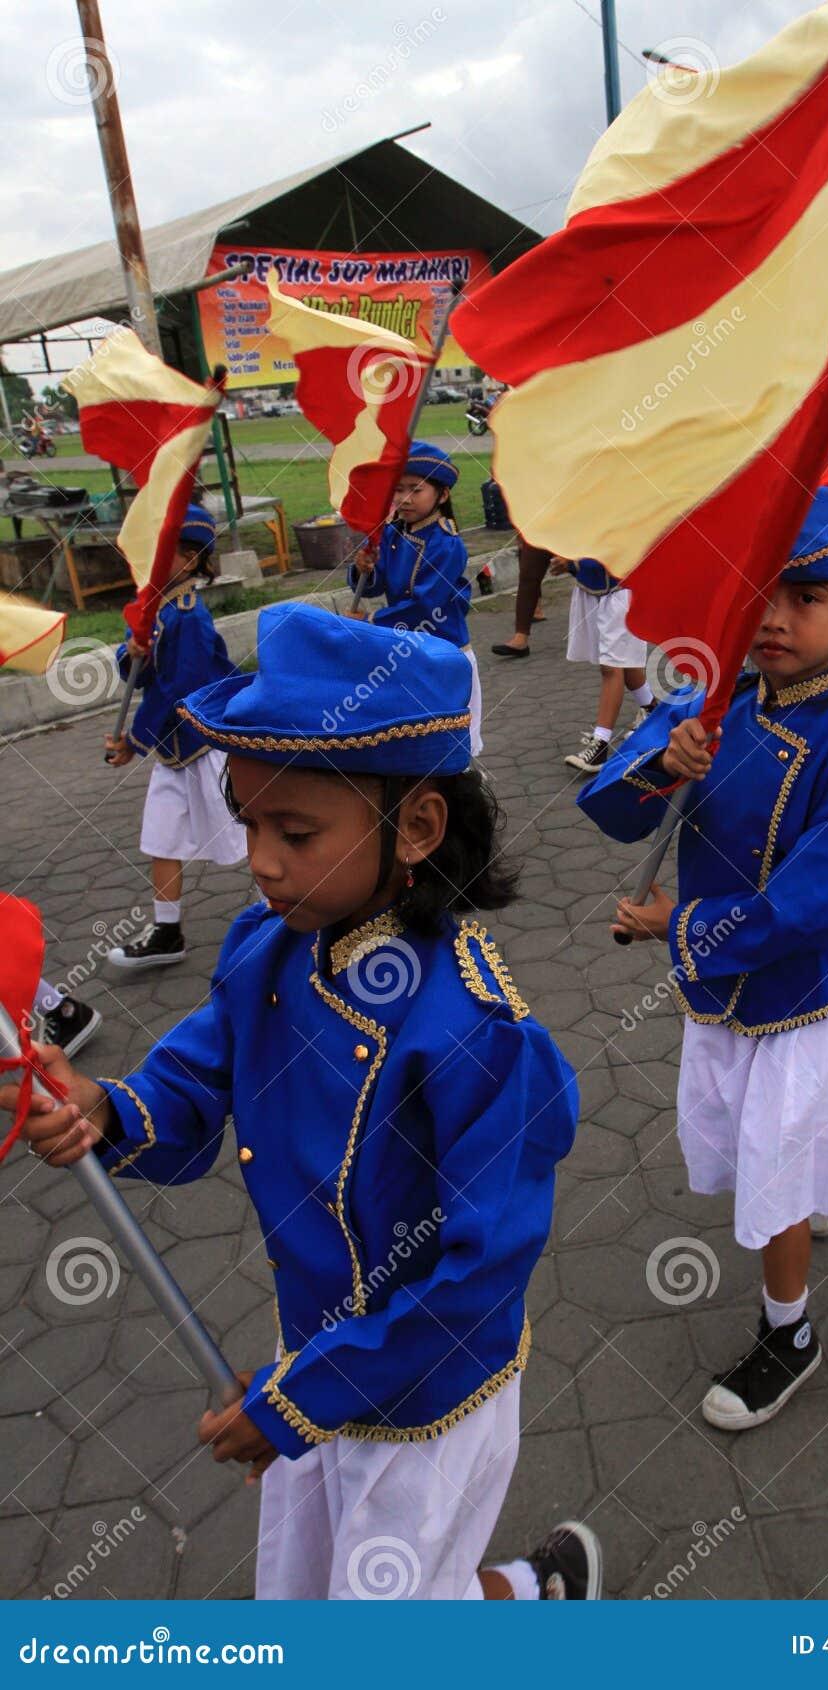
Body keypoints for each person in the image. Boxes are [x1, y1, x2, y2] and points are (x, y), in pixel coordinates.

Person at [8, 605, 600, 1601]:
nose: (262, 861)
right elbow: (197, 1076)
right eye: (247, 823)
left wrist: (297, 1403)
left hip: (422, 1395)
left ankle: (527, 1592)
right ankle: (532, 1592)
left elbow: (475, 1279)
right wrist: (106, 1109)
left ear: (415, 826)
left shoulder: (473, 1028)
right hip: (314, 1353)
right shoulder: (264, 943)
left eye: (296, 831)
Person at [578, 488, 828, 1430]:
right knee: (772, 1149)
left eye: (806, 598)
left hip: (805, 992)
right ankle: (806, 1214)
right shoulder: (709, 702)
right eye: (762, 592)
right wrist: (661, 766)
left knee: (770, 1168)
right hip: (724, 987)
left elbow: (815, 901)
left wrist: (675, 928)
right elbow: (604, 812)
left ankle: (790, 1332)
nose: (772, 616)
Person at [103, 505, 246, 968]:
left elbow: (176, 687)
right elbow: (140, 676)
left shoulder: (188, 617)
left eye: (155, 550)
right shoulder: (151, 609)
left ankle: (289, 911)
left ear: (188, 558)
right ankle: (167, 932)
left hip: (207, 744)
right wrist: (132, 653)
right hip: (172, 749)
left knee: (249, 830)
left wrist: (134, 741)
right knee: (161, 839)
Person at [347, 442, 483, 755]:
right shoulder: (392, 532)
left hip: (443, 651)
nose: (404, 499)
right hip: (403, 647)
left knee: (451, 740)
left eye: (416, 489)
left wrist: (368, 622)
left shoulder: (447, 545)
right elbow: (375, 586)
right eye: (398, 489)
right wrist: (362, 569)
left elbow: (425, 606)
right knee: (414, 736)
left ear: (442, 495)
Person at [557, 555, 654, 774]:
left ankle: (600, 744)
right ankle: (654, 711)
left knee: (610, 667)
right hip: (593, 587)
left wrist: (573, 563)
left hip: (621, 587)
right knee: (624, 662)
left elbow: (616, 544)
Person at [491, 534, 552, 659]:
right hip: (538, 527)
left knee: (583, 570)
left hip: (570, 524)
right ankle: (521, 638)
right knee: (528, 577)